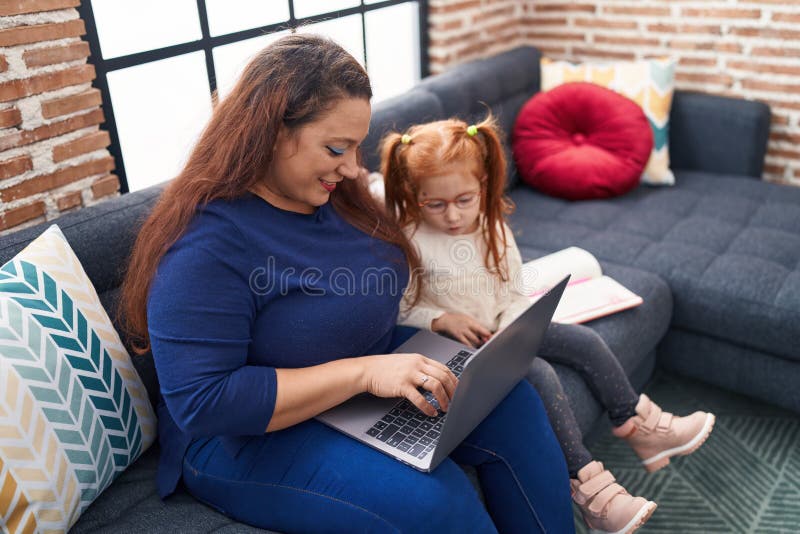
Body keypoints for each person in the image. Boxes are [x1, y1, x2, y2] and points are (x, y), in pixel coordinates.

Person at [119, 34, 575, 533]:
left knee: (515, 402)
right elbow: (206, 402)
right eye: (337, 148)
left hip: (368, 379)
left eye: (357, 147)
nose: (354, 167)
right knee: (435, 505)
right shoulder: (204, 244)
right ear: (269, 133)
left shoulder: (334, 193)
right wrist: (363, 374)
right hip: (245, 436)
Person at [379, 114, 716, 534]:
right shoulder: (409, 240)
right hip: (455, 353)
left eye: (464, 200)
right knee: (539, 373)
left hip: (503, 333)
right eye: (436, 204)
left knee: (585, 342)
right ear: (414, 195)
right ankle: (593, 493)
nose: (452, 215)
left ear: (482, 186)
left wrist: (514, 327)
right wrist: (440, 318)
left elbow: (513, 289)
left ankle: (639, 424)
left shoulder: (492, 227)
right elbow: (398, 311)